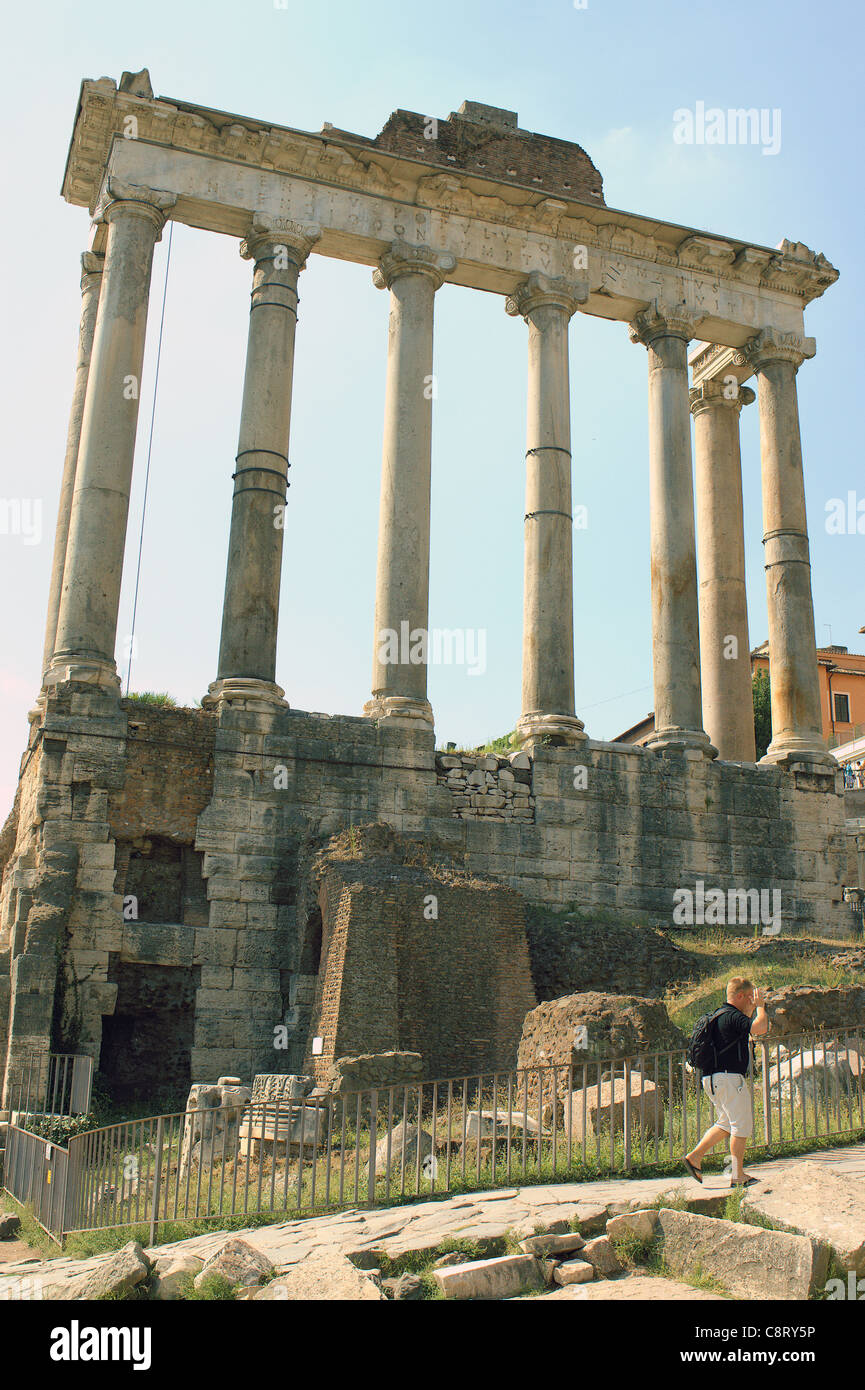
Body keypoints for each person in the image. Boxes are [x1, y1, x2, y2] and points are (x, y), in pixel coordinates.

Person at [683, 976, 769, 1187]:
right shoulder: (732, 1016)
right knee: (741, 1125)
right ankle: (737, 1176)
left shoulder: (716, 1016)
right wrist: (760, 1007)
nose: (751, 1002)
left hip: (711, 1080)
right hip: (729, 1079)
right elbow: (760, 1028)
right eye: (749, 998)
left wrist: (751, 1007)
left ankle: (694, 1157)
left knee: (726, 1123)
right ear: (740, 996)